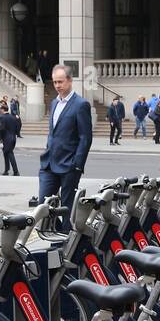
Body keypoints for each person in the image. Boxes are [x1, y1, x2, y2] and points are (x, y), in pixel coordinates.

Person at [39, 64, 92, 230]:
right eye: (54, 82)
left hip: (69, 165)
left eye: (60, 82)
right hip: (48, 164)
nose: (57, 86)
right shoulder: (54, 103)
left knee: (67, 208)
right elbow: (53, 133)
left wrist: (77, 165)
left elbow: (85, 137)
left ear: (70, 81)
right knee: (44, 205)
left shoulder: (81, 104)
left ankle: (66, 244)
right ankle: (56, 236)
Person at [0, 104, 21, 175]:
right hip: (13, 138)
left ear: (2, 109)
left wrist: (0, 138)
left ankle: (16, 171)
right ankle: (6, 170)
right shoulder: (13, 117)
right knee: (6, 153)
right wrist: (16, 134)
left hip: (7, 138)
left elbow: (2, 129)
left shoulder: (2, 117)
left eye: (0, 109)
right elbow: (18, 126)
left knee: (10, 154)